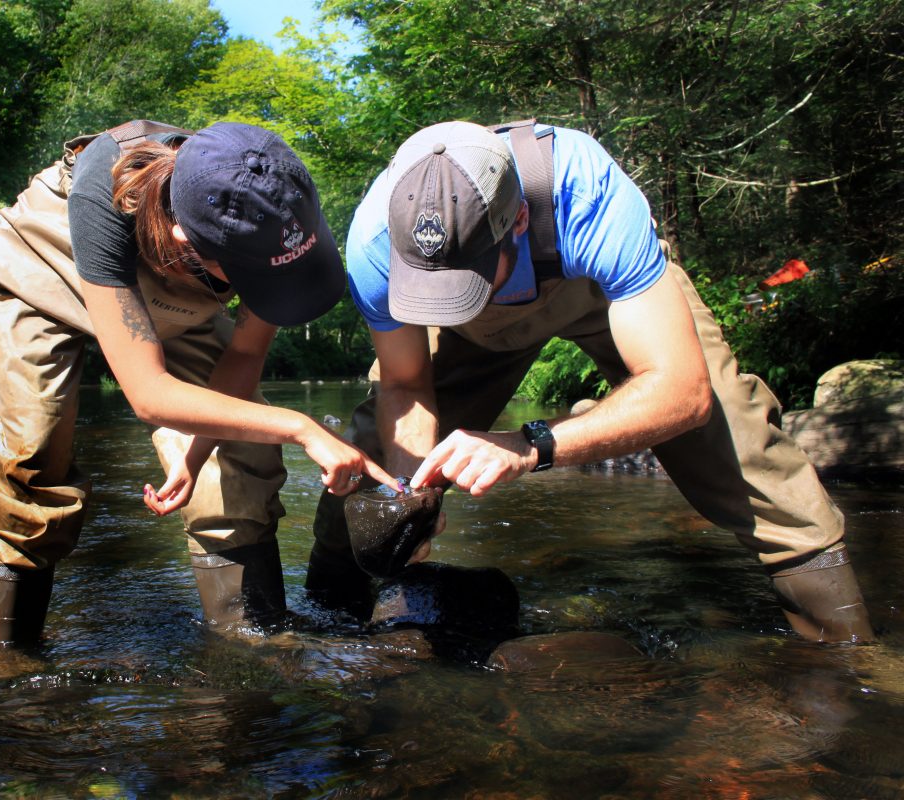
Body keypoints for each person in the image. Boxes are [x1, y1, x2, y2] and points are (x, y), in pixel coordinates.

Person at [308, 120, 875, 643]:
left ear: (519, 222)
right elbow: (405, 385)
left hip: (602, 295)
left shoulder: (587, 193)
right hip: (474, 337)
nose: (450, 290)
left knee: (739, 442)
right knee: (370, 465)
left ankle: (848, 649)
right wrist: (413, 498)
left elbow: (683, 389)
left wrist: (530, 446)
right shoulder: (374, 244)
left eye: (468, 272)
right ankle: (329, 625)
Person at [0, 119, 393, 646]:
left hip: (177, 296)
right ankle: (14, 658)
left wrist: (193, 458)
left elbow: (242, 356)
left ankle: (251, 640)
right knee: (32, 451)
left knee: (241, 450)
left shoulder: (268, 207)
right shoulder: (104, 200)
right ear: (186, 240)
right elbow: (148, 395)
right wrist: (303, 427)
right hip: (41, 267)